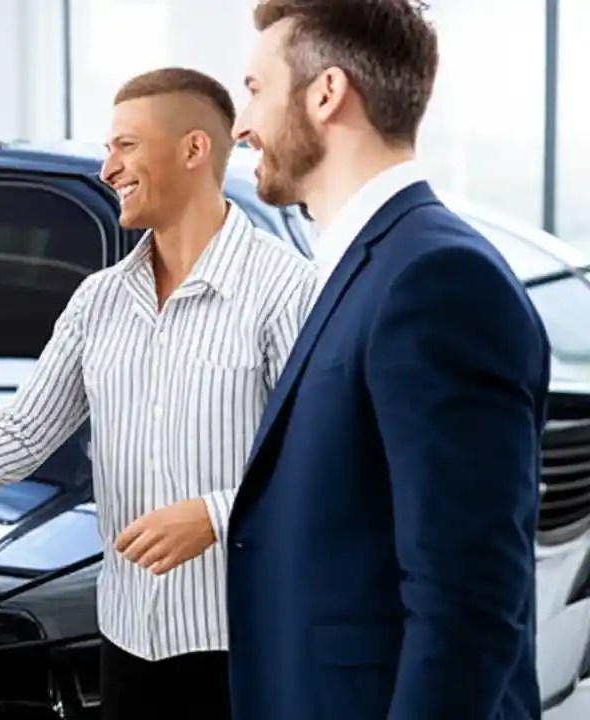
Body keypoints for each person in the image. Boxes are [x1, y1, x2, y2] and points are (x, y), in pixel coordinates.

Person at [0, 67, 317, 720]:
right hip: (130, 642)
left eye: (126, 146)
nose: (110, 169)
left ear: (194, 149)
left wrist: (214, 515)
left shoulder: (288, 291)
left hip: (248, 645)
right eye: (109, 148)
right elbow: (17, 436)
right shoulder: (98, 302)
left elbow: (323, 464)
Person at [226, 1, 550, 718]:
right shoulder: (371, 266)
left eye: (253, 90)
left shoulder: (436, 279)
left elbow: (468, 598)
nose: (240, 126)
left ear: (327, 93)